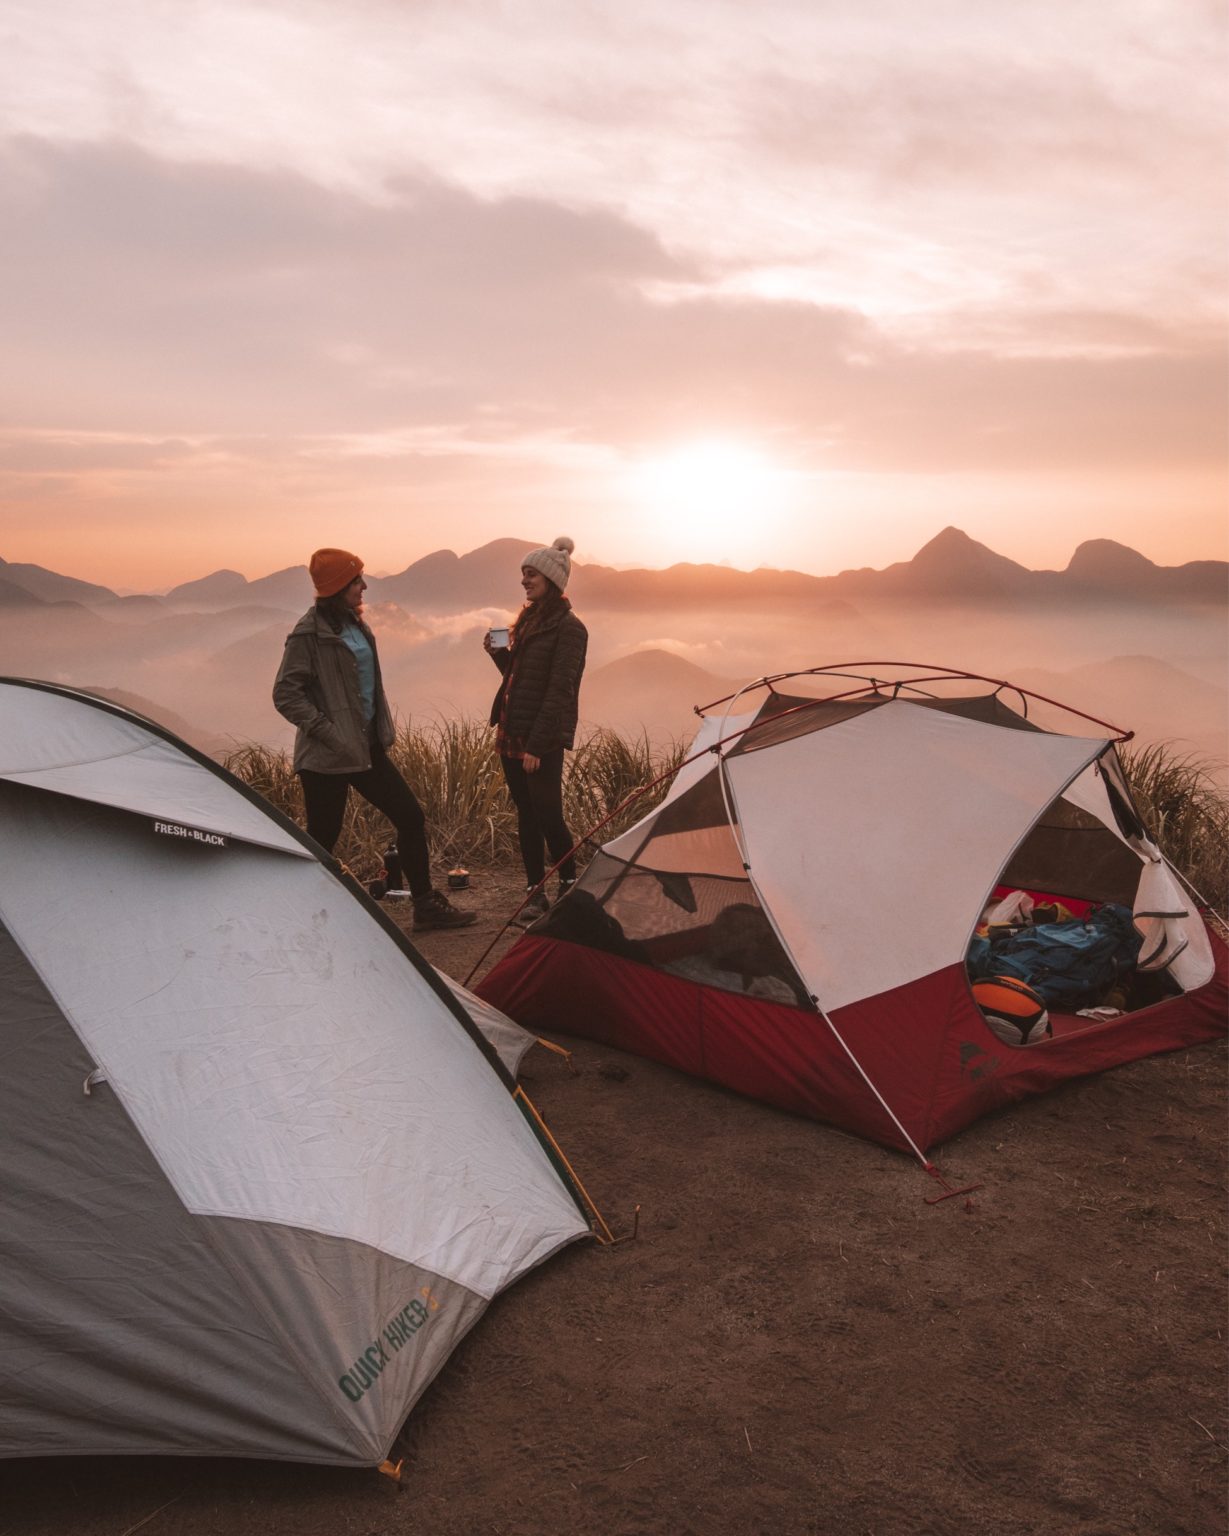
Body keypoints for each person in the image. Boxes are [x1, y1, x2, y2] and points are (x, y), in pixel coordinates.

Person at [273, 547, 475, 932]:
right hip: (327, 757)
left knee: (410, 817)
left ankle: (425, 906)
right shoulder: (308, 634)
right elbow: (285, 694)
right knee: (322, 839)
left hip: (366, 749)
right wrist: (329, 732)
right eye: (356, 580)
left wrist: (377, 731)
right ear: (337, 587)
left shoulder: (356, 624)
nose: (364, 586)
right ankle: (297, 917)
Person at [485, 536, 588, 924]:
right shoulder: (529, 621)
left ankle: (568, 883)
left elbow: (561, 690)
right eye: (523, 574)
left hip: (538, 739)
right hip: (512, 728)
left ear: (551, 579)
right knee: (526, 813)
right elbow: (520, 679)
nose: (524, 581)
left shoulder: (571, 629)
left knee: (548, 813)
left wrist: (538, 746)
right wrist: (500, 655)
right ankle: (535, 891)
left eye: (531, 575)